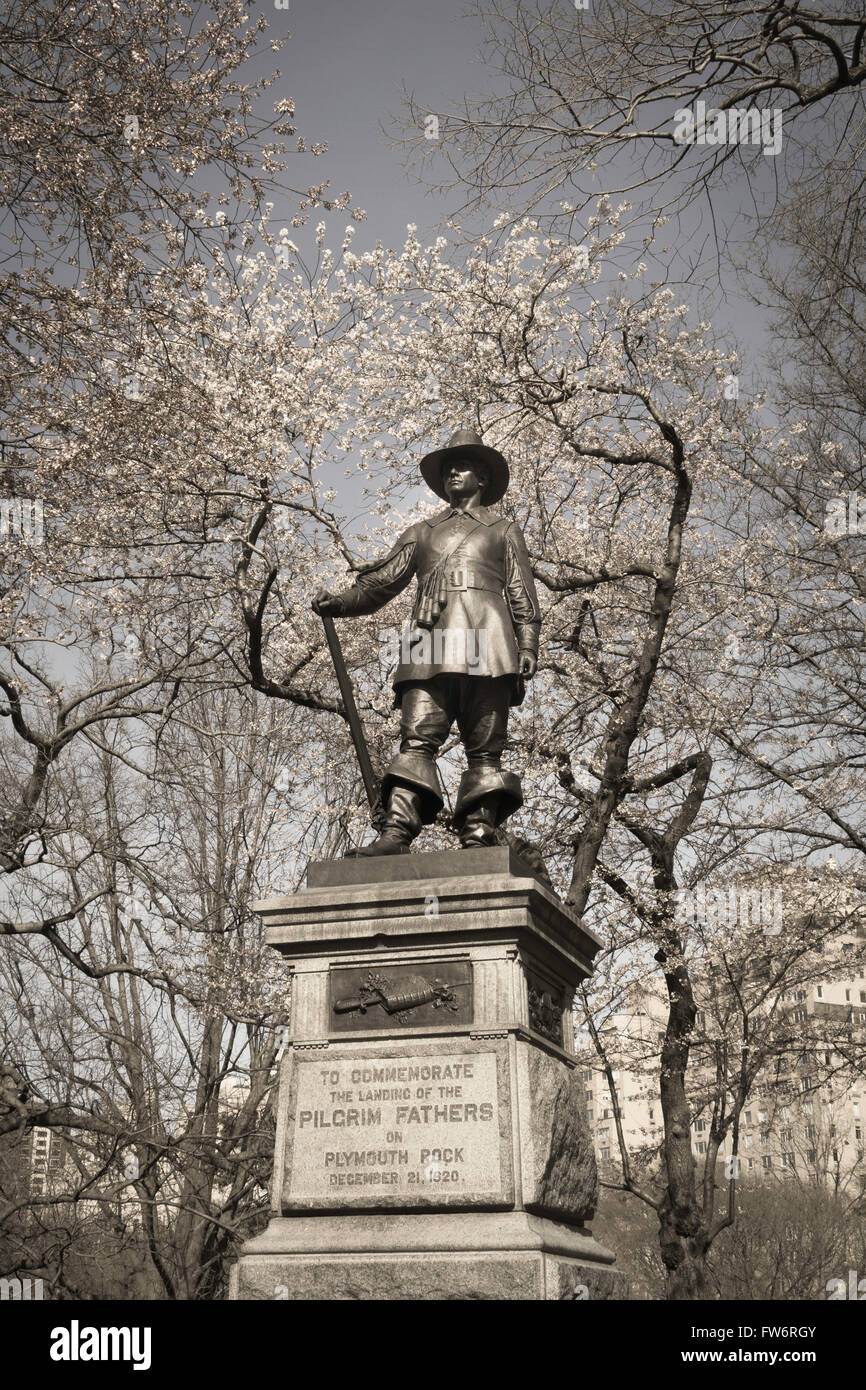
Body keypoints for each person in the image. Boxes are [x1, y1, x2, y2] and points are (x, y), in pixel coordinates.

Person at [312, 428, 541, 855]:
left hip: (489, 641)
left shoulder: (504, 530)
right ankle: (396, 832)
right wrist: (340, 602)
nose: (453, 471)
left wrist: (527, 644)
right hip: (430, 641)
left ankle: (478, 834)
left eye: (463, 465)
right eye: (447, 467)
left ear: (483, 478)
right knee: (416, 739)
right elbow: (381, 583)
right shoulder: (423, 532)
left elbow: (522, 594)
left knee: (485, 749)